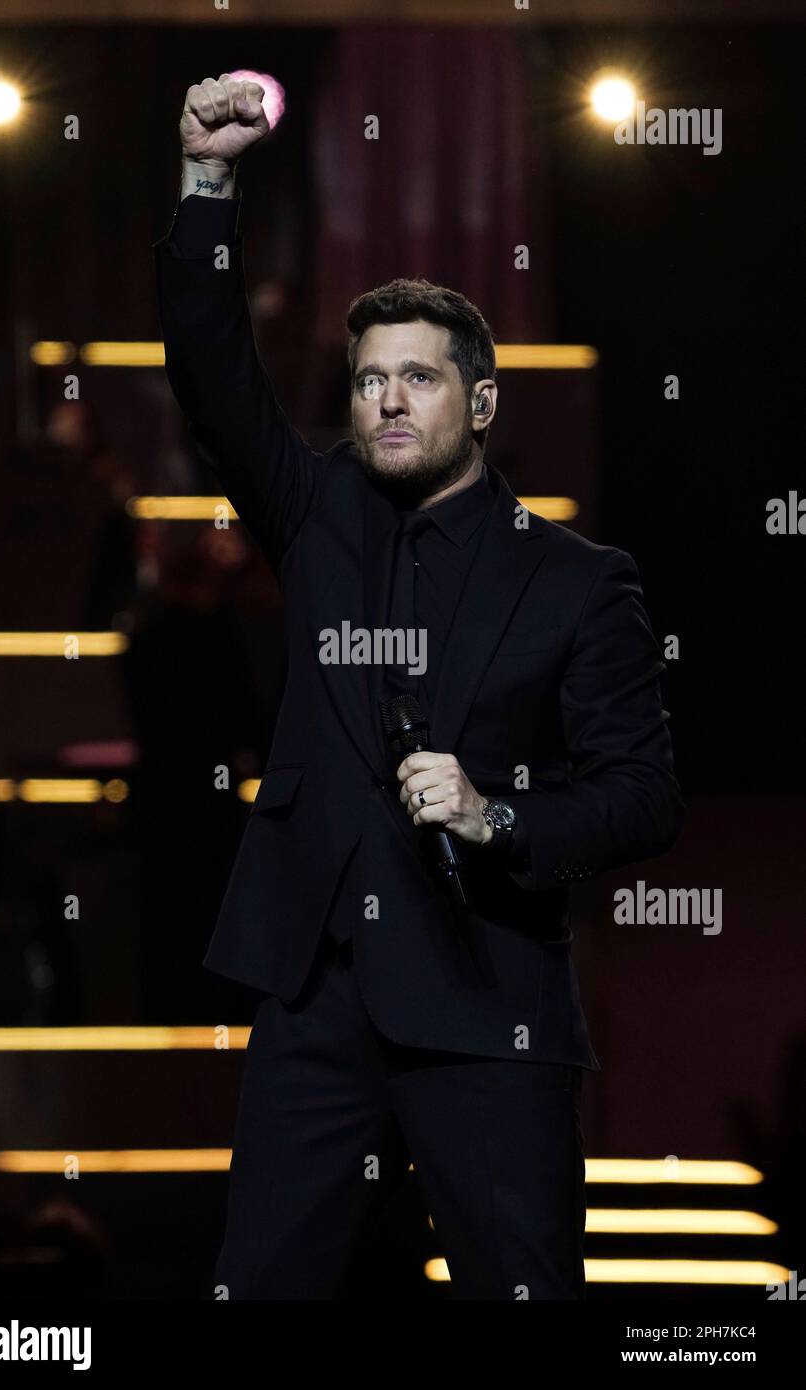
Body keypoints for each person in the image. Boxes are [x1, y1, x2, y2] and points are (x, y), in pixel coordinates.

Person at [153, 74, 685, 1300]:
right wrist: (207, 180)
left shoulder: (578, 582)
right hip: (315, 1005)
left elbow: (643, 798)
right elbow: (210, 373)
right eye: (367, 380)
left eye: (421, 378)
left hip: (483, 1006)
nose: (387, 400)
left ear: (482, 402)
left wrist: (495, 812)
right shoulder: (314, 512)